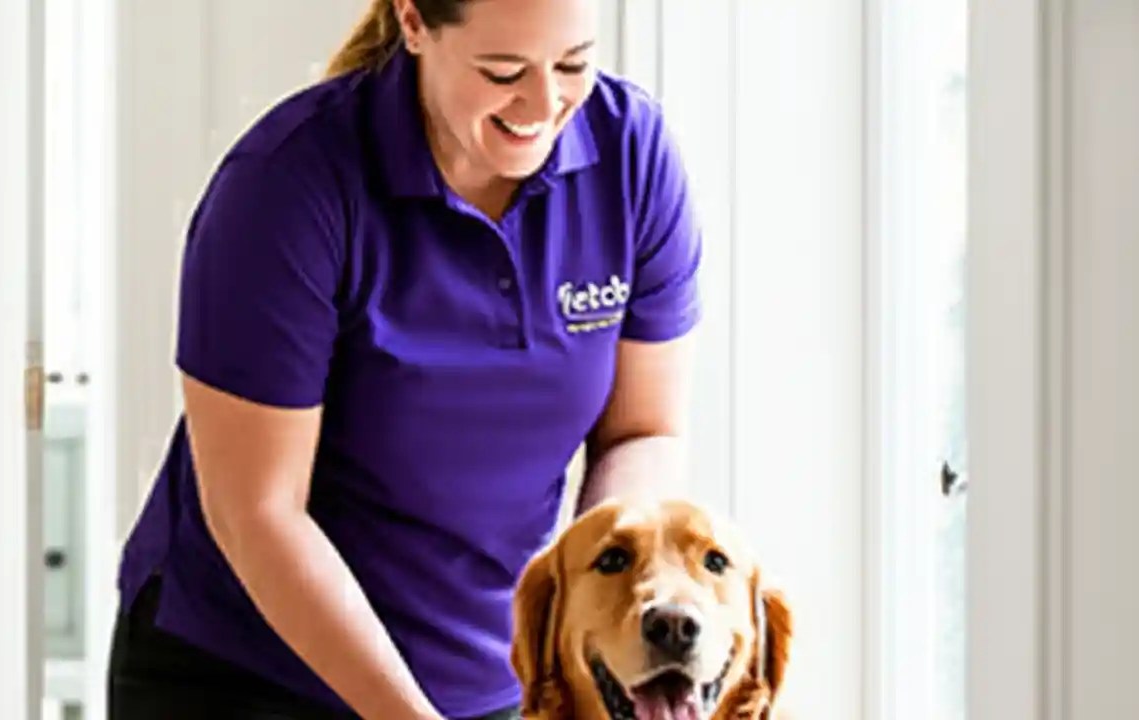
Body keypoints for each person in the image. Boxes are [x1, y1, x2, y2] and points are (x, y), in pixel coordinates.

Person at [104, 0, 703, 718]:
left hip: (482, 668)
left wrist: (595, 607)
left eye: (573, 62)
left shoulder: (631, 157)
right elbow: (257, 513)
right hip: (247, 671)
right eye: (503, 70)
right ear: (414, 22)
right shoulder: (286, 184)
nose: (546, 104)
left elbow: (641, 432)